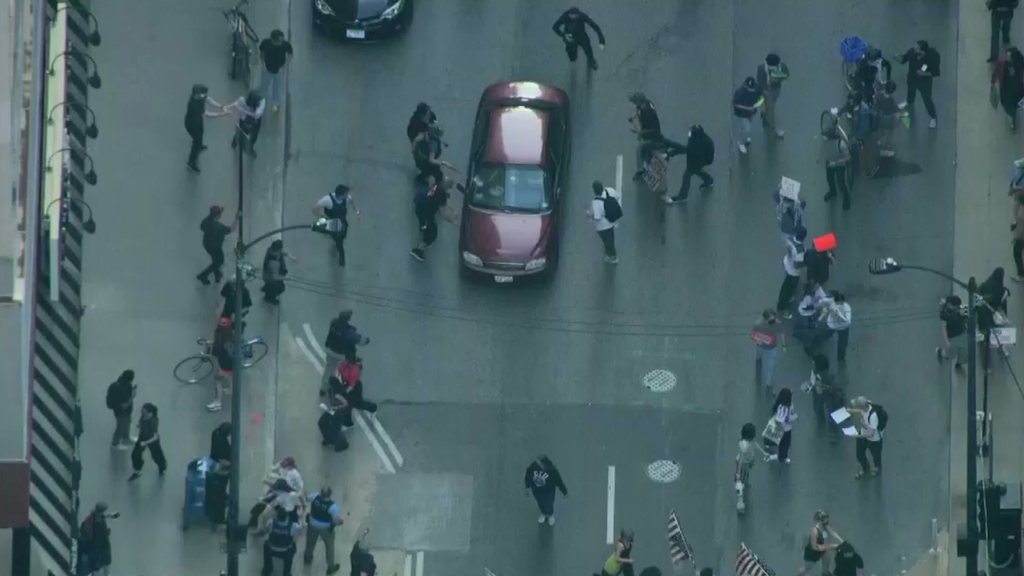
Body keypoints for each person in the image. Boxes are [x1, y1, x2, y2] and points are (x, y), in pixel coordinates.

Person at [895, 41, 940, 129]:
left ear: (922, 50)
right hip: (912, 78)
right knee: (911, 91)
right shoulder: (912, 52)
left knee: (927, 99)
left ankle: (933, 117)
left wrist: (925, 74)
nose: (914, 49)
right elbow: (904, 59)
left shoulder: (933, 57)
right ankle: (909, 101)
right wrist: (898, 58)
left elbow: (936, 72)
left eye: (917, 48)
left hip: (925, 83)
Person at [410, 178, 456, 262]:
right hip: (424, 211)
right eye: (450, 186)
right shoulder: (441, 196)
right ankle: (419, 250)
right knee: (431, 232)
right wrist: (452, 220)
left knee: (425, 223)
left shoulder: (436, 186)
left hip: (419, 203)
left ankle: (423, 227)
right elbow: (443, 214)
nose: (451, 187)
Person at [322, 309, 369, 392]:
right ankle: (349, 387)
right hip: (341, 355)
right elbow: (361, 342)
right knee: (354, 367)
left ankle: (324, 387)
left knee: (329, 369)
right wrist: (366, 340)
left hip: (330, 350)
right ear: (347, 319)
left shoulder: (334, 323)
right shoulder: (349, 333)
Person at [314, 185, 360, 267]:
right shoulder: (328, 200)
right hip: (333, 222)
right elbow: (316, 208)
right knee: (339, 241)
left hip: (342, 221)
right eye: (345, 194)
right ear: (339, 195)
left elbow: (351, 202)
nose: (347, 195)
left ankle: (331, 235)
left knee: (342, 235)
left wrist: (356, 211)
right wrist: (323, 216)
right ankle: (342, 256)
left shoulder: (347, 198)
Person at [184, 83, 227, 173]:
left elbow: (209, 100)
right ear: (197, 94)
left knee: (201, 132)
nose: (204, 95)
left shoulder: (200, 96)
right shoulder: (194, 104)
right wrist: (221, 114)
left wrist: (221, 106)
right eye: (202, 93)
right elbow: (207, 114)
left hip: (198, 121)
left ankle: (199, 145)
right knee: (196, 142)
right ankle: (191, 163)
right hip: (191, 125)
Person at [669, 124, 715, 203]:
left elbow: (686, 149)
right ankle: (709, 180)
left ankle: (682, 195)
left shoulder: (697, 143)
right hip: (702, 159)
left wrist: (671, 153)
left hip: (699, 160)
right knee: (696, 170)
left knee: (687, 175)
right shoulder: (703, 139)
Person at [304, 486, 343, 574]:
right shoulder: (333, 506)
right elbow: (336, 520)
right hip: (325, 528)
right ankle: (330, 567)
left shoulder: (315, 497)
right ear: (330, 494)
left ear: (321, 493)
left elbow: (307, 498)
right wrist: (341, 521)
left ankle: (307, 558)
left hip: (312, 524)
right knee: (329, 546)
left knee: (310, 542)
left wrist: (305, 493)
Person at [197, 206, 238, 285]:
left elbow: (202, 226)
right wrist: (237, 218)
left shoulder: (207, 221)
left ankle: (217, 275)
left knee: (215, 260)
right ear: (217, 215)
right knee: (219, 261)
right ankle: (203, 275)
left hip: (207, 244)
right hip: (216, 247)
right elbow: (231, 229)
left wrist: (219, 211)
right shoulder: (219, 227)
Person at [524, 455, 569, 526]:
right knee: (540, 503)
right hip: (537, 491)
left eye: (538, 462)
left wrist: (565, 492)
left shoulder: (552, 471)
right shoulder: (533, 466)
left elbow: (559, 482)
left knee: (549, 504)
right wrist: (527, 486)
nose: (536, 464)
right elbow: (528, 474)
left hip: (548, 493)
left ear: (543, 463)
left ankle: (551, 515)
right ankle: (543, 513)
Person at [735, 423, 769, 514]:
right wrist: (738, 473)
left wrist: (763, 453)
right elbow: (741, 460)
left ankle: (744, 482)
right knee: (739, 482)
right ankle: (740, 502)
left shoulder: (749, 440)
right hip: (743, 464)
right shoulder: (744, 446)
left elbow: (755, 444)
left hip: (748, 461)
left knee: (746, 474)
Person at [586, 180, 622, 265]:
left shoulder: (596, 203)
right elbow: (617, 196)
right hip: (611, 221)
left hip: (603, 227)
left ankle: (612, 256)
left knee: (607, 241)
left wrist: (589, 215)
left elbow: (597, 218)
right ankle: (611, 252)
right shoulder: (609, 190)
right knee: (610, 237)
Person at [78, 502, 118, 576]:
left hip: (102, 548)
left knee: (104, 567)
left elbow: (107, 517)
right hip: (95, 549)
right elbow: (87, 532)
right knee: (96, 568)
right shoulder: (91, 521)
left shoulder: (100, 519)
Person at [128, 403, 166, 481]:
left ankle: (162, 467)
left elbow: (155, 436)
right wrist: (139, 425)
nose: (143, 414)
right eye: (142, 412)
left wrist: (146, 442)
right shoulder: (143, 416)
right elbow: (141, 422)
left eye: (145, 413)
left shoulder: (153, 421)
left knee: (156, 455)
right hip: (142, 437)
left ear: (150, 413)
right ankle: (138, 470)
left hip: (151, 439)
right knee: (135, 454)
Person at [849, 396, 884, 478]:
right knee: (859, 454)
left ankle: (877, 467)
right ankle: (865, 468)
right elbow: (860, 411)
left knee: (875, 455)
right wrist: (850, 411)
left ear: (862, 406)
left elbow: (871, 433)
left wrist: (858, 435)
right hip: (863, 434)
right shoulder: (866, 405)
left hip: (874, 439)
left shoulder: (873, 416)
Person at [756, 53, 790, 138]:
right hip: (767, 92)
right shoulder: (761, 68)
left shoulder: (780, 67)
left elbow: (786, 75)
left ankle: (764, 113)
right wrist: (764, 91)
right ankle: (775, 129)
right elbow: (760, 81)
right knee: (771, 110)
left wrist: (777, 76)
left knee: (771, 105)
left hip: (776, 90)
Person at [776, 226, 807, 319]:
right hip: (793, 272)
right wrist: (805, 262)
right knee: (788, 290)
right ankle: (781, 308)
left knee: (785, 285)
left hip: (787, 263)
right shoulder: (799, 251)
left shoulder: (790, 239)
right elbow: (797, 265)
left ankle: (783, 300)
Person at [752, 309, 786, 392]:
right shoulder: (758, 325)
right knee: (758, 357)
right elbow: (753, 335)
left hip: (772, 347)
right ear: (765, 319)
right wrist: (757, 340)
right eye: (771, 320)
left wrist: (783, 344)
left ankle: (769, 383)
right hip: (760, 346)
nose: (773, 321)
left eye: (773, 319)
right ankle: (758, 360)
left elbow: (781, 333)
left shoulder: (777, 323)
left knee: (772, 366)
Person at [258, 29, 293, 113]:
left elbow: (290, 54)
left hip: (279, 69)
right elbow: (262, 53)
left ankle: (276, 104)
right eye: (278, 41)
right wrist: (263, 64)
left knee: (278, 87)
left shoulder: (285, 45)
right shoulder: (266, 43)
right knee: (264, 86)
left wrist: (285, 66)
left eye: (281, 40)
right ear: (272, 40)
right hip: (267, 68)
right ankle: (261, 101)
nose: (280, 42)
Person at [262, 506, 303, 576]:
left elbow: (267, 530)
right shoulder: (293, 526)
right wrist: (300, 516)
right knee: (293, 546)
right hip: (286, 551)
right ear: (287, 516)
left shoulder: (271, 523)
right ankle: (286, 572)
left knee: (266, 544)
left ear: (277, 516)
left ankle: (267, 569)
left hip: (272, 549)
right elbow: (300, 528)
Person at [224, 89, 267, 155]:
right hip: (245, 116)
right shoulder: (242, 100)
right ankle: (235, 140)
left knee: (255, 134)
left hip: (255, 118)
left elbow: (257, 115)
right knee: (242, 129)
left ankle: (250, 147)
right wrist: (226, 107)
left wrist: (245, 111)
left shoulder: (262, 101)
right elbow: (236, 103)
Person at [796, 511, 839, 576]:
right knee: (807, 568)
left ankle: (825, 573)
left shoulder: (824, 528)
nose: (827, 522)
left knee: (827, 554)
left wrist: (841, 543)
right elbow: (815, 547)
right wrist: (831, 546)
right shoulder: (815, 530)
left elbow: (829, 535)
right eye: (825, 520)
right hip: (812, 552)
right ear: (820, 520)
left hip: (820, 549)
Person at [992, 47, 1024, 131]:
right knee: (1008, 105)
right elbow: (997, 70)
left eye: (1009, 55)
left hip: (1017, 90)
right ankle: (1012, 116)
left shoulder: (1019, 64)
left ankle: (1013, 120)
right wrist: (993, 81)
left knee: (1012, 106)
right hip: (1006, 89)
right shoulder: (1003, 62)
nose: (1007, 57)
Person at [820, 128, 851, 209]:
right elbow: (824, 151)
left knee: (841, 183)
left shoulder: (841, 145)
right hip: (829, 162)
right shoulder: (826, 143)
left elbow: (848, 157)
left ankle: (846, 198)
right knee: (829, 179)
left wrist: (837, 162)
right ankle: (833, 191)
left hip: (839, 165)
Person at [849, 94, 879, 179]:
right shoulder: (857, 106)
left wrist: (854, 138)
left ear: (855, 102)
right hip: (858, 133)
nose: (849, 102)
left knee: (865, 153)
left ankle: (869, 170)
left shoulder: (864, 113)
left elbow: (864, 130)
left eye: (851, 100)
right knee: (863, 152)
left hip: (865, 137)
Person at [208, 318, 235, 412]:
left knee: (218, 382)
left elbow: (215, 358)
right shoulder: (232, 336)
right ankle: (231, 389)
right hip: (233, 364)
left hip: (223, 366)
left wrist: (218, 369)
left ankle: (217, 402)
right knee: (230, 376)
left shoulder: (218, 342)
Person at [105, 369, 136, 449]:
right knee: (120, 427)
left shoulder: (124, 384)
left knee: (128, 422)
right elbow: (124, 405)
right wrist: (133, 396)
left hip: (126, 411)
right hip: (121, 412)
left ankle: (126, 438)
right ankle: (115, 443)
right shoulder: (121, 389)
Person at [732, 77, 763, 154]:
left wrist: (759, 103)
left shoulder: (756, 88)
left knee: (748, 125)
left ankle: (745, 138)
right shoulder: (740, 92)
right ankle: (741, 143)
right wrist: (748, 108)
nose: (752, 90)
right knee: (747, 129)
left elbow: (761, 97)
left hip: (751, 112)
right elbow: (735, 104)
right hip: (741, 114)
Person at [937, 295, 968, 371]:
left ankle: (959, 364)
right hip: (952, 336)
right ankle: (940, 352)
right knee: (950, 355)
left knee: (964, 352)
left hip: (962, 333)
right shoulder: (945, 313)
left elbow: (967, 319)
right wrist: (947, 341)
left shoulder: (961, 310)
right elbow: (944, 328)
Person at [767, 388, 796, 463]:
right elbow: (780, 420)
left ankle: (780, 454)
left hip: (785, 428)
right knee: (785, 444)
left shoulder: (780, 404)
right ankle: (782, 457)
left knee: (782, 443)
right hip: (785, 429)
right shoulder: (783, 408)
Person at [873, 80, 899, 157]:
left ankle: (880, 141)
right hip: (887, 120)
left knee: (881, 131)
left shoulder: (878, 95)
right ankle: (885, 149)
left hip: (878, 118)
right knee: (889, 135)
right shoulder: (890, 101)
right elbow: (894, 111)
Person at [261, 240, 291, 304]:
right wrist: (285, 278)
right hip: (271, 279)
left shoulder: (270, 251)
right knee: (280, 288)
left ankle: (266, 289)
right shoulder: (274, 263)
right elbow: (275, 277)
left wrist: (288, 255)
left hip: (267, 274)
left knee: (269, 285)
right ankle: (269, 298)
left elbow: (281, 253)